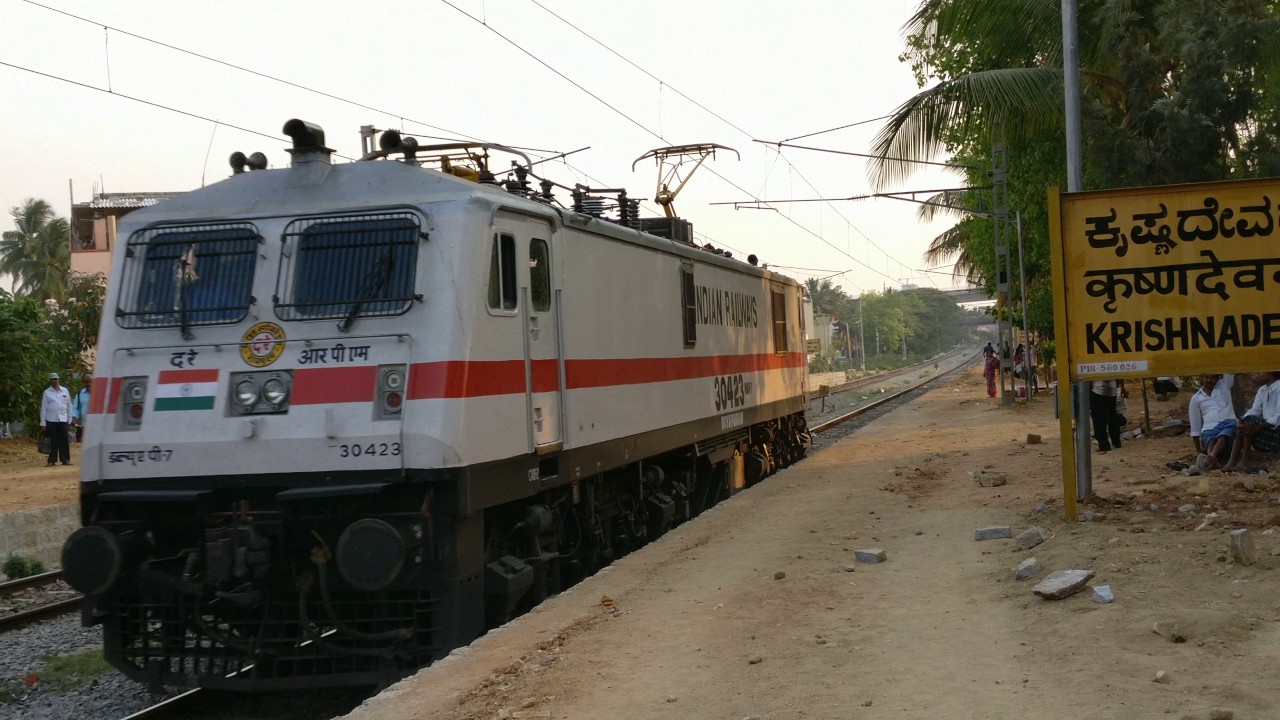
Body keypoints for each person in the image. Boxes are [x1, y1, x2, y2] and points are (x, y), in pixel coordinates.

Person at [1222, 371, 1280, 472]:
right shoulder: (1263, 390)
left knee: (1249, 424)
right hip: (1266, 427)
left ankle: (1242, 460)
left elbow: (1278, 417)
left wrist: (1258, 428)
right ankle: (1233, 461)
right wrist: (1243, 421)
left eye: (1261, 372)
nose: (1257, 375)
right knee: (1246, 423)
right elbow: (1255, 410)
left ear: (1270, 372)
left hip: (1277, 433)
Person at [1188, 373, 1237, 471]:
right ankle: (1211, 458)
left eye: (1213, 377)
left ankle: (1211, 457)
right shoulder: (1196, 398)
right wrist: (1198, 451)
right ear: (1201, 377)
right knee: (1211, 439)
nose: (1209, 380)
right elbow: (1195, 425)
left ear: (1218, 377)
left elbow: (1228, 370)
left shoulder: (1224, 385)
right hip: (1209, 428)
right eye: (1206, 377)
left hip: (1228, 423)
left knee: (1223, 436)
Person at [40, 371, 72, 466]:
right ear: (50, 381)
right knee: (52, 440)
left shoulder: (65, 391)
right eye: (52, 379)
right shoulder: (47, 393)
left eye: (56, 379)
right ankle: (52, 460)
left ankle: (65, 459)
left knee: (64, 439)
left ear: (59, 380)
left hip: (63, 419)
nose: (55, 381)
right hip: (51, 420)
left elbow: (69, 405)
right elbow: (44, 408)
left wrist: (69, 420)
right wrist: (43, 423)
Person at [1089, 379, 1124, 452]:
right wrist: (1122, 386)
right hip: (1112, 390)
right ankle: (1116, 442)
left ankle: (1104, 446)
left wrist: (1089, 387)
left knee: (1098, 419)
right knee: (1112, 415)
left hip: (1097, 389)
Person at [71, 375, 91, 443]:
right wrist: (74, 417)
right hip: (84, 425)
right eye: (86, 382)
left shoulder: (99, 393)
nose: (88, 384)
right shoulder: (80, 394)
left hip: (96, 425)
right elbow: (75, 408)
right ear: (83, 382)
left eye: (90, 382)